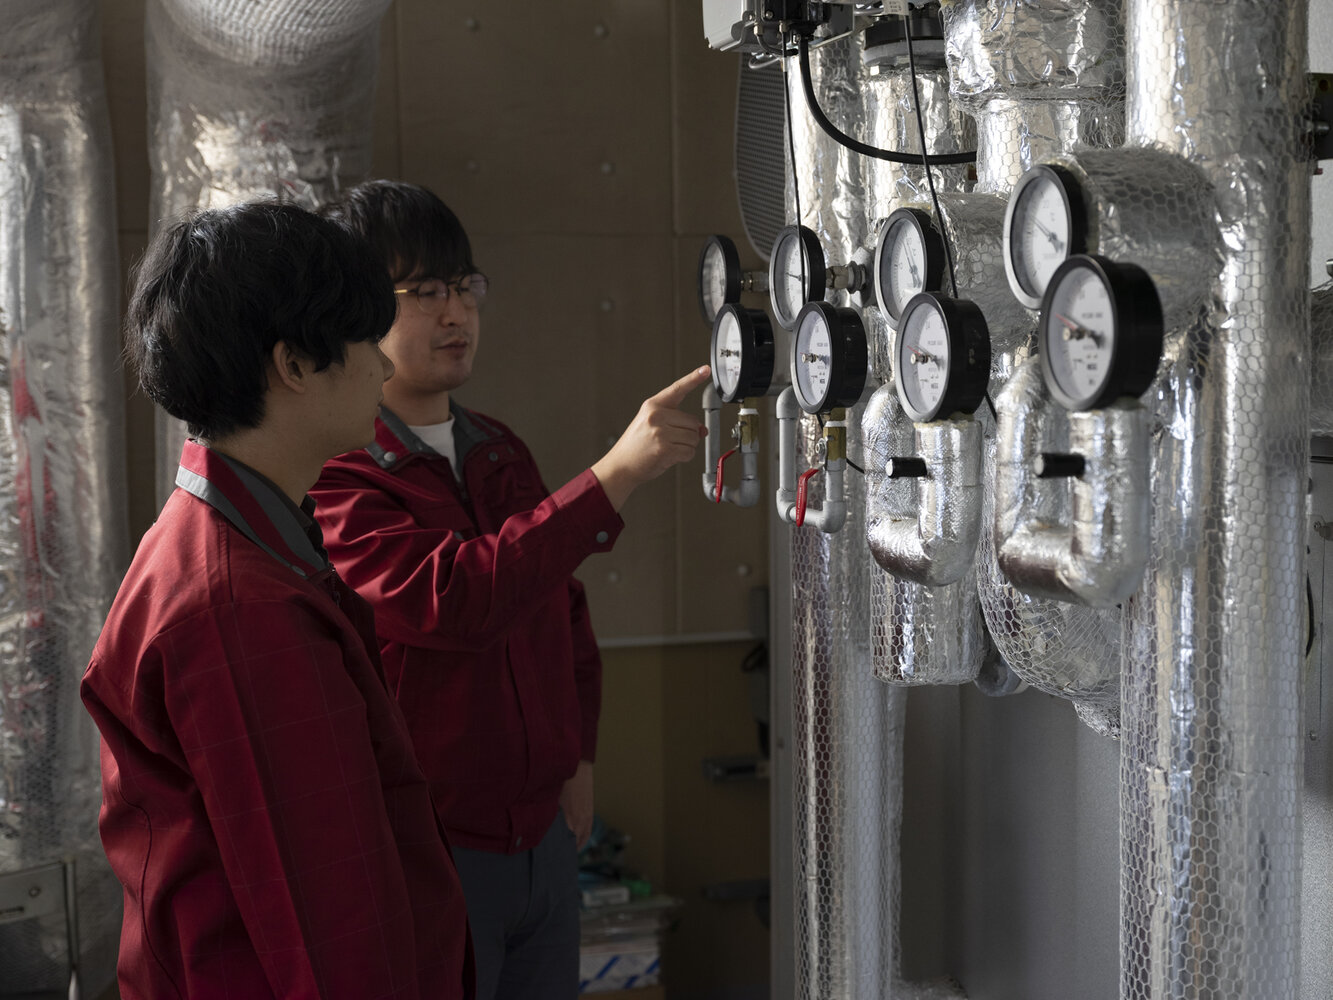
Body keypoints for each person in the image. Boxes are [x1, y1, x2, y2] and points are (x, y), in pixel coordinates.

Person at [312, 180, 709, 1000]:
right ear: (354, 313)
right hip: (430, 843)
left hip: (540, 836)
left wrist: (580, 757)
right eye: (422, 293)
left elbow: (558, 608)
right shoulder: (339, 473)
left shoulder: (494, 447)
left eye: (464, 286)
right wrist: (617, 472)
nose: (454, 314)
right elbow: (449, 601)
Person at [81, 202, 474, 999]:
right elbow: (329, 917)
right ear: (294, 364)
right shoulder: (239, 611)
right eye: (365, 342)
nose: (382, 369)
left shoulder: (232, 538)